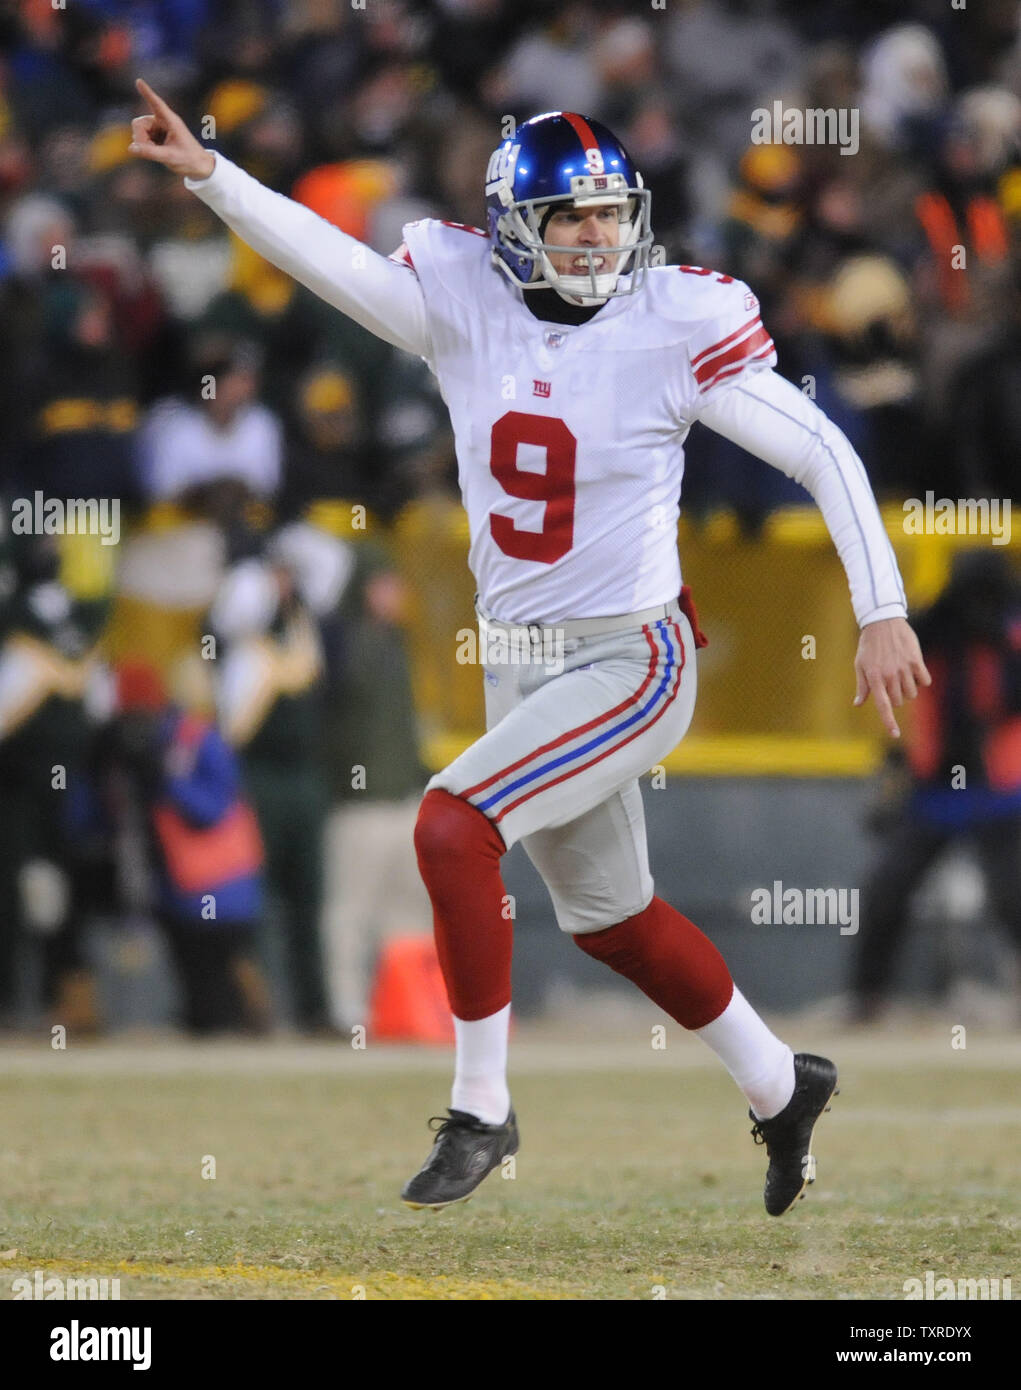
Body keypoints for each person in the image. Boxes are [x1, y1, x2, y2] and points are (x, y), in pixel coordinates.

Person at [130, 80, 930, 1217]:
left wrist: (879, 605)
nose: (600, 236)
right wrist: (215, 176)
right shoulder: (464, 302)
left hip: (633, 658)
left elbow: (820, 453)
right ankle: (778, 1082)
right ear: (518, 228)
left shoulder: (672, 321)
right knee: (613, 920)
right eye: (573, 218)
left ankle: (481, 1107)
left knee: (452, 825)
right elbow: (330, 263)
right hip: (522, 652)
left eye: (612, 213)